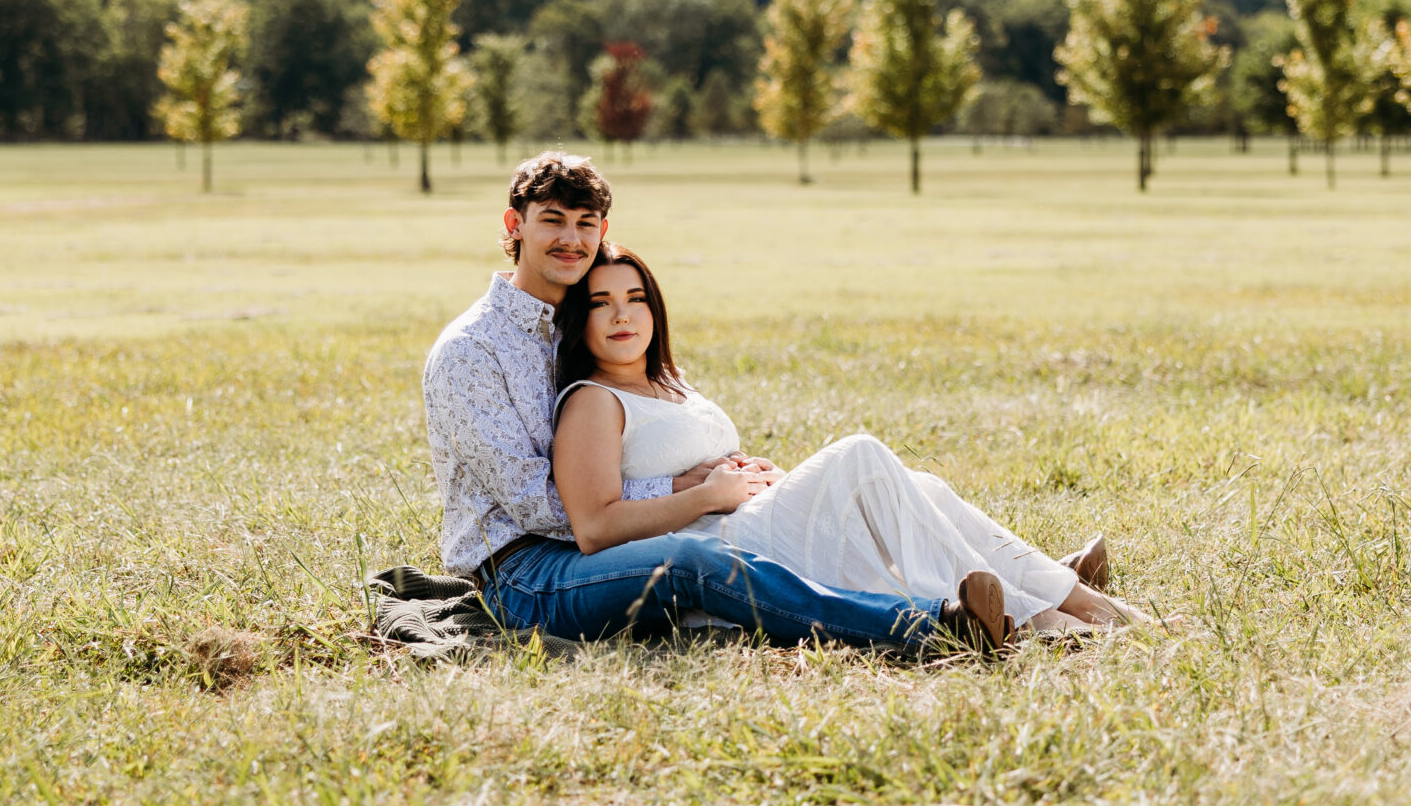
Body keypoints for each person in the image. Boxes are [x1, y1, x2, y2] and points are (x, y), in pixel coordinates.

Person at [423, 152, 1012, 651]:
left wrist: (720, 481)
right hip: (528, 576)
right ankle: (934, 628)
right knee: (691, 559)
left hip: (597, 543)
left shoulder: (574, 327)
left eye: (586, 223)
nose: (572, 239)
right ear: (515, 224)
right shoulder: (472, 351)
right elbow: (545, 510)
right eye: (553, 221)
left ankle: (1037, 594)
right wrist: (685, 492)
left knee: (863, 495)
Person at [552, 246, 1134, 635]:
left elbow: (697, 467)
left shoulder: (665, 382)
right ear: (581, 321)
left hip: (742, 515)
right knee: (859, 456)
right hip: (713, 547)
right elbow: (595, 528)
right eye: (601, 304)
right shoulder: (592, 402)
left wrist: (753, 476)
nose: (622, 316)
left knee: (922, 485)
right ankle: (1044, 614)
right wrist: (707, 496)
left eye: (635, 299)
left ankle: (1066, 597)